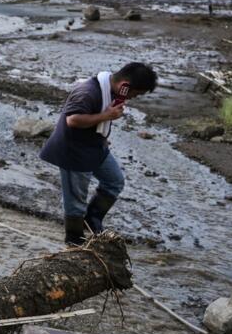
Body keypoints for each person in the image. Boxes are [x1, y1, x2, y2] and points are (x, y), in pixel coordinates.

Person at [38, 62, 158, 246]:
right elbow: (73, 120)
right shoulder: (88, 92)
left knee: (114, 181)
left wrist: (104, 130)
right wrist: (105, 116)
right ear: (124, 84)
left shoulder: (112, 90)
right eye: (136, 93)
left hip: (95, 146)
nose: (133, 97)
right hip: (73, 151)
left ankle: (92, 219)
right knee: (76, 200)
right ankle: (74, 239)